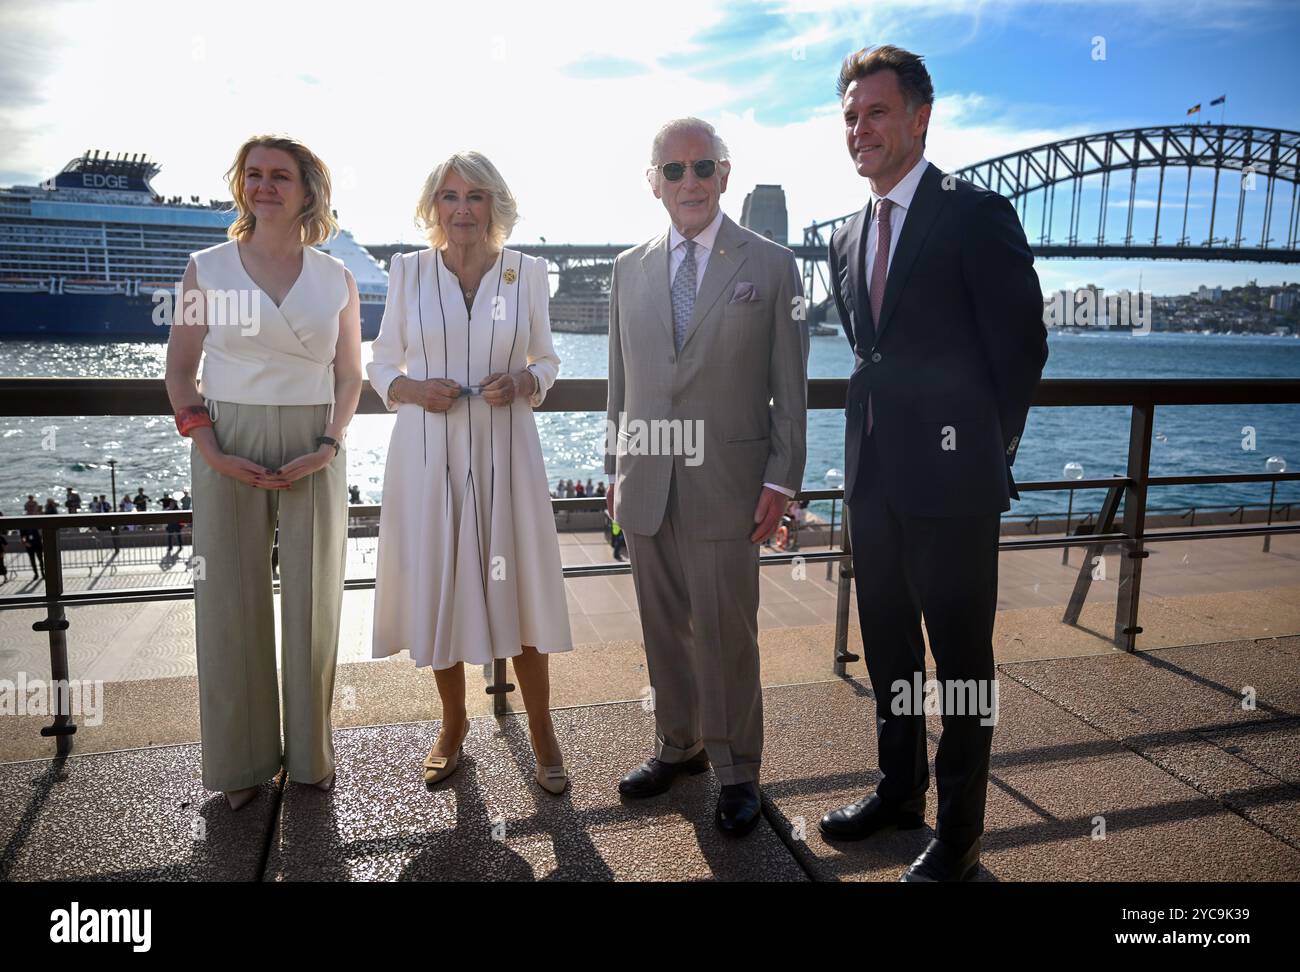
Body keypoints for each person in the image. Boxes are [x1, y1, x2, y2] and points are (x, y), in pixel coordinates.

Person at [818, 46, 1048, 881]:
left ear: (920, 117)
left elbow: (1021, 348)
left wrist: (984, 450)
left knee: (960, 665)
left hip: (952, 485)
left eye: (875, 112)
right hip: (873, 476)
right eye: (849, 116)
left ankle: (960, 830)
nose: (859, 129)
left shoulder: (973, 212)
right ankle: (898, 789)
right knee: (888, 648)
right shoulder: (848, 232)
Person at [605, 117, 808, 835]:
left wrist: (782, 480)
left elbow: (790, 384)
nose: (687, 182)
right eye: (673, 170)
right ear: (653, 182)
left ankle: (736, 769)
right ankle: (678, 745)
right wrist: (613, 470)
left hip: (731, 479)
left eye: (702, 167)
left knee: (727, 632)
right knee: (663, 627)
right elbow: (620, 383)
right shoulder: (628, 267)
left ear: (726, 174)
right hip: (647, 477)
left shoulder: (773, 265)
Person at [165, 134, 363, 812]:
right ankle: (240, 762)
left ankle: (311, 755)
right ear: (240, 185)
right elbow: (178, 368)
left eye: (280, 176)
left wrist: (330, 445)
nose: (265, 186)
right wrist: (210, 447)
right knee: (228, 603)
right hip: (227, 438)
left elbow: (351, 376)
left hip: (314, 440)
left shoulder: (335, 277)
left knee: (315, 603)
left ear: (308, 190)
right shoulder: (205, 268)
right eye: (254, 175)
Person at [367, 151, 573, 794]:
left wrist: (524, 381)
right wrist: (406, 387)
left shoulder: (526, 273)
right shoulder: (407, 271)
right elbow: (379, 363)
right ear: (434, 207)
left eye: (476, 196)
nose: (462, 209)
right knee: (442, 587)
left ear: (495, 206)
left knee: (519, 590)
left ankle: (541, 729)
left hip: (507, 452)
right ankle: (452, 724)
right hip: (428, 456)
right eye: (450, 196)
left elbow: (548, 359)